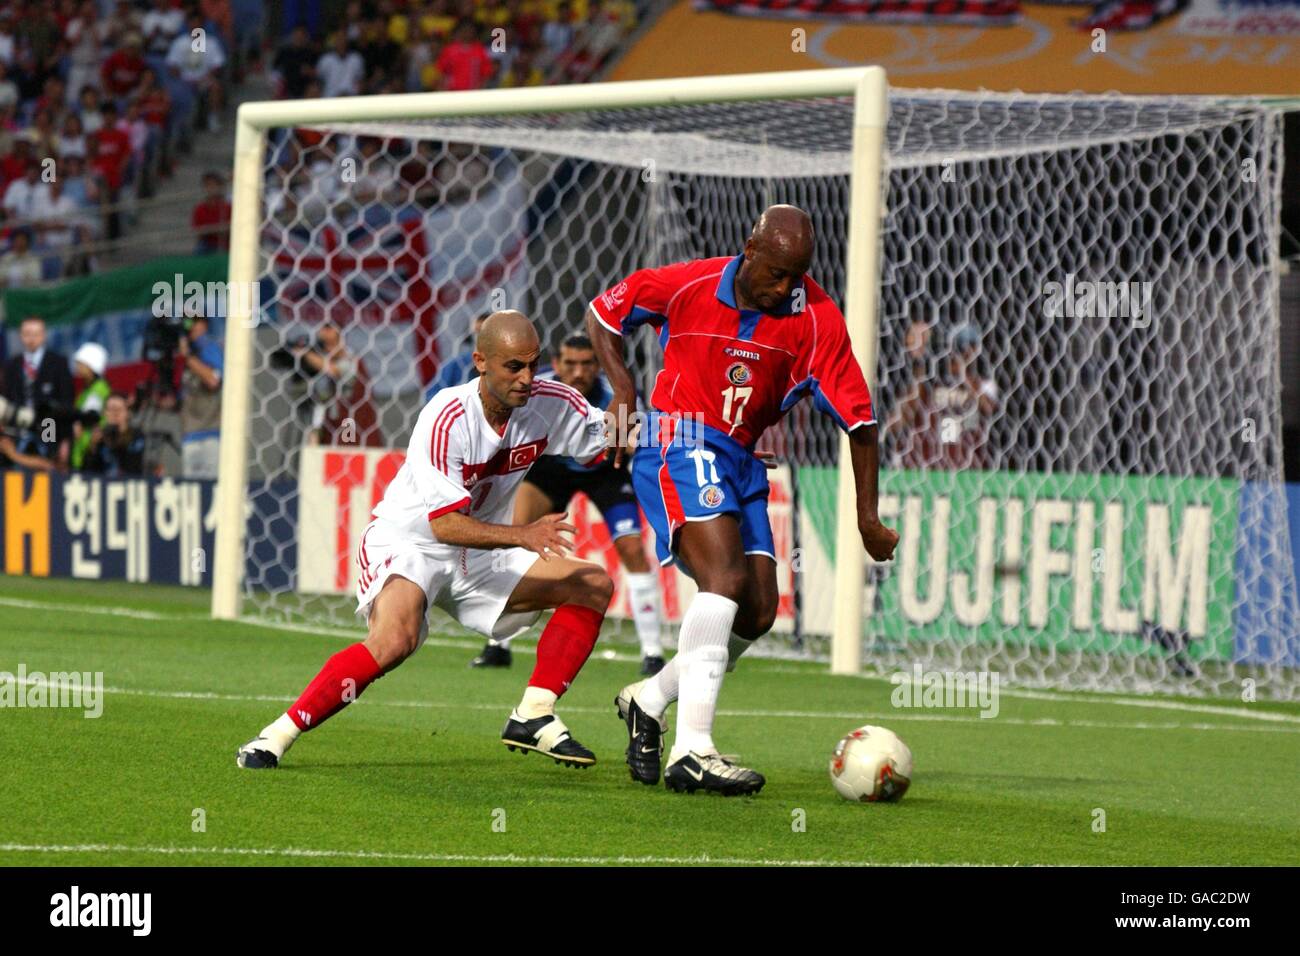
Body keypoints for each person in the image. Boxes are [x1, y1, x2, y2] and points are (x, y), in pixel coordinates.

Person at [588, 204, 900, 795]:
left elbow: (860, 422)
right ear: (750, 250)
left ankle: (648, 700)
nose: (786, 287)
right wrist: (624, 386)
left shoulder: (817, 320)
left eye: (798, 275)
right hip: (676, 437)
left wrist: (867, 517)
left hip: (740, 459)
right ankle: (693, 749)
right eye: (777, 272)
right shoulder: (690, 282)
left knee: (756, 611)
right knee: (724, 581)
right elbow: (605, 312)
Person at [236, 311, 615, 771]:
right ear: (480, 361)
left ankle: (533, 714)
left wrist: (654, 404)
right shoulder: (446, 415)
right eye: (513, 366)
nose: (527, 378)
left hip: (479, 554)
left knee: (592, 584)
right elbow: (444, 526)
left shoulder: (550, 402)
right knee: (394, 641)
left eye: (533, 365)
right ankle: (277, 734)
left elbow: (616, 434)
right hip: (411, 543)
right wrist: (522, 535)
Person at [469, 332, 664, 674]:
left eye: (587, 364)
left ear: (597, 366)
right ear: (556, 364)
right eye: (570, 364)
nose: (578, 372)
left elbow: (643, 437)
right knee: (514, 536)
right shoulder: (535, 389)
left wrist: (633, 444)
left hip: (605, 471)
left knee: (633, 550)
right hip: (552, 469)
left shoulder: (616, 398)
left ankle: (652, 652)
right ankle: (497, 644)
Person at [293, 324, 382, 447]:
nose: (328, 350)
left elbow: (334, 370)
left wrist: (305, 354)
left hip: (352, 424)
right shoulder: (328, 372)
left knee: (348, 449)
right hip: (335, 424)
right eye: (324, 346)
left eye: (331, 344)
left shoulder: (352, 362)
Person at [0, 315, 74, 463]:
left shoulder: (58, 362)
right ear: (21, 336)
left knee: (48, 468)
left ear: (43, 336)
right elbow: (6, 400)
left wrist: (65, 440)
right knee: (16, 472)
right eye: (27, 334)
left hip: (49, 424)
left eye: (36, 334)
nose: (31, 339)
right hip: (18, 427)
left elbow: (67, 402)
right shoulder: (12, 365)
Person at [178, 312, 223, 479]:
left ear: (204, 324)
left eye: (193, 321)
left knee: (213, 490)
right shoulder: (187, 353)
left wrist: (188, 358)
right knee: (194, 496)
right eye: (185, 322)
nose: (188, 326)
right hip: (190, 435)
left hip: (211, 435)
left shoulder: (208, 347)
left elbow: (213, 380)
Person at [69, 342, 110, 470]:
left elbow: (89, 416)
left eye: (81, 363)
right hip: (81, 450)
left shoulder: (98, 389)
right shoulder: (87, 389)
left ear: (92, 366)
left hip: (89, 452)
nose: (78, 366)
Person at [83, 391, 145, 476]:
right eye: (110, 410)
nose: (115, 414)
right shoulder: (99, 437)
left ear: (127, 413)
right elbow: (87, 472)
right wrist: (93, 447)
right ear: (104, 413)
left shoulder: (136, 436)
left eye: (119, 410)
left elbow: (134, 467)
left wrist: (121, 433)